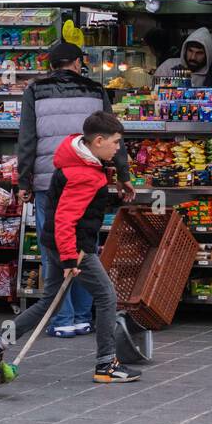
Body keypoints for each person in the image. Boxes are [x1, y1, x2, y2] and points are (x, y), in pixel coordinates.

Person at [0, 112, 142, 384]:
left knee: (50, 302)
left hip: (55, 241)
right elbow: (66, 218)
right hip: (74, 246)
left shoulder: (78, 157)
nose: (118, 148)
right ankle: (106, 365)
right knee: (106, 297)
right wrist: (69, 259)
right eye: (115, 142)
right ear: (98, 141)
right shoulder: (85, 175)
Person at [17, 41, 133, 336]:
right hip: (90, 178)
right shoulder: (96, 91)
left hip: (48, 180)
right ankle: (82, 315)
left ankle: (63, 319)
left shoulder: (34, 90)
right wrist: (123, 174)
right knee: (86, 247)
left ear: (52, 65)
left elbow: (27, 138)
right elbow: (112, 135)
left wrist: (24, 179)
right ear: (78, 63)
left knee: (54, 249)